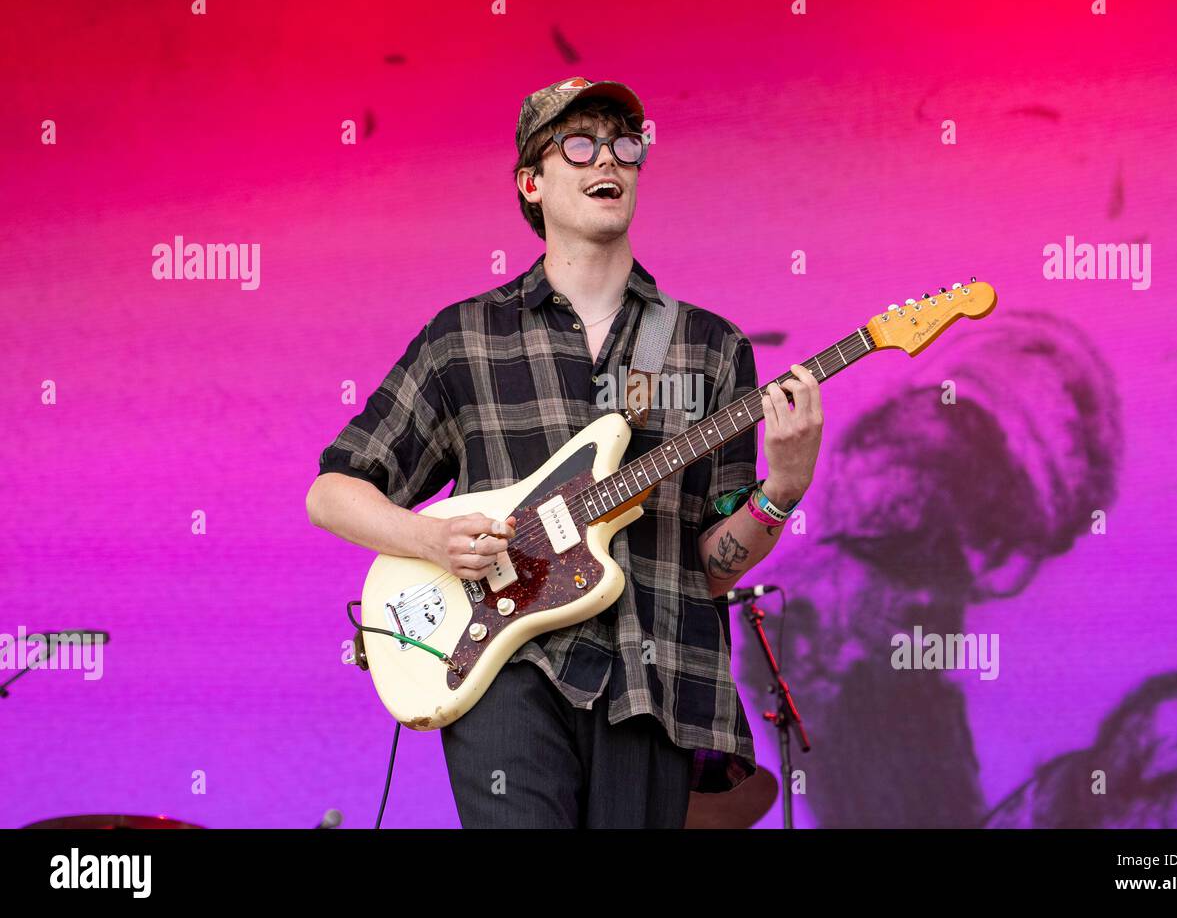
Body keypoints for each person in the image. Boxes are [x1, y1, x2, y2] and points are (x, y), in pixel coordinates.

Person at [306, 76, 823, 828]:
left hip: (656, 675)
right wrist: (429, 537)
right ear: (532, 182)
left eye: (624, 144)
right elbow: (332, 491)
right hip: (503, 665)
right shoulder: (467, 338)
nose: (604, 158)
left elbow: (715, 567)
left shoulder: (709, 348)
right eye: (577, 144)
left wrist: (786, 486)